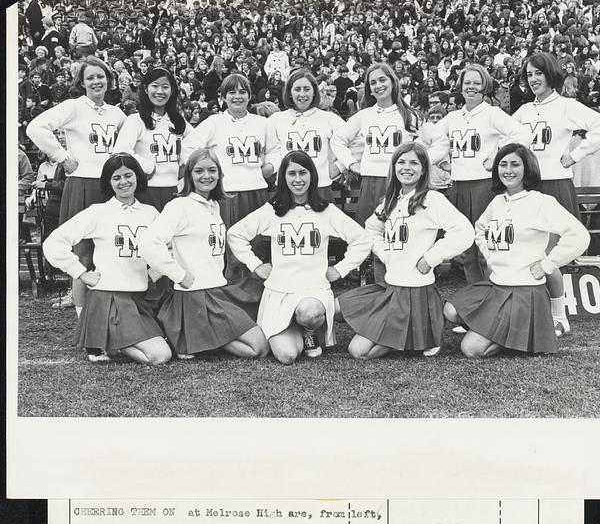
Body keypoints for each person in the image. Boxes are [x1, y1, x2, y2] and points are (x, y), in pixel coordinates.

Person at [444, 143, 590, 359]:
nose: (508, 170)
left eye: (515, 164)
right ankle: (500, 328)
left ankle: (523, 334)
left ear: (528, 168)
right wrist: (491, 254)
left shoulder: (542, 202)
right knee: (450, 310)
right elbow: (480, 228)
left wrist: (547, 265)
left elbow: (579, 236)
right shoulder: (497, 202)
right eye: (503, 164)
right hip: (497, 286)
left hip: (525, 292)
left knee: (472, 349)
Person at [227, 150, 372, 364]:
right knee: (286, 356)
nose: (298, 179)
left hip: (313, 290)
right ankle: (294, 329)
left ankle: (309, 330)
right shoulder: (272, 210)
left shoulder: (326, 211)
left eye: (303, 173)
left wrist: (340, 269)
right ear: (283, 178)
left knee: (308, 313)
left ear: (312, 176)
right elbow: (235, 234)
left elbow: (363, 239)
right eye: (291, 174)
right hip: (280, 290)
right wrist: (256, 265)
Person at [337, 142, 473, 360]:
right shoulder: (391, 200)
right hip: (391, 288)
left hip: (416, 292)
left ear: (423, 169)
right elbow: (371, 228)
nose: (406, 168)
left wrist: (431, 258)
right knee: (336, 309)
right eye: (401, 162)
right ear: (394, 167)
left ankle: (419, 332)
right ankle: (409, 336)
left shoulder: (432, 200)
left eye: (414, 163)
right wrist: (383, 252)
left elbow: (465, 231)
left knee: (359, 351)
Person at [513, 52, 600, 336]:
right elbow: (505, 140)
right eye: (529, 75)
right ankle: (535, 311)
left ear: (551, 74)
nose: (533, 79)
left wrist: (576, 154)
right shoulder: (523, 112)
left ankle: (559, 316)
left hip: (555, 185)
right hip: (528, 188)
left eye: (538, 73)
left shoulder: (566, 106)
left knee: (549, 257)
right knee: (529, 254)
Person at [138, 149, 269, 361]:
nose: (206, 176)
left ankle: (197, 337)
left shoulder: (214, 205)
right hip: (195, 296)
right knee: (258, 348)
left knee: (260, 342)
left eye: (212, 170)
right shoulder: (179, 206)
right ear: (189, 176)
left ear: (219, 175)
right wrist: (177, 274)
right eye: (199, 171)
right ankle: (191, 333)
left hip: (218, 291)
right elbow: (148, 243)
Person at [42, 153, 171, 365]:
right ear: (108, 182)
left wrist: (153, 273)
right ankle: (104, 333)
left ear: (138, 177)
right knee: (159, 356)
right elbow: (53, 243)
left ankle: (108, 339)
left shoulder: (151, 213)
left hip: (139, 300)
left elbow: (169, 248)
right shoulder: (98, 213)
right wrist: (81, 273)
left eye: (128, 175)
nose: (124, 182)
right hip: (108, 300)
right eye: (116, 178)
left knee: (165, 352)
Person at [330, 61, 449, 284]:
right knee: (372, 234)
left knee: (398, 233)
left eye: (382, 80)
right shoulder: (363, 115)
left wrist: (419, 164)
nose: (378, 86)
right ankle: (374, 283)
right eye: (372, 82)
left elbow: (441, 142)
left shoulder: (410, 115)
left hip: (400, 185)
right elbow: (338, 140)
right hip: (371, 183)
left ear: (393, 82)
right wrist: (351, 164)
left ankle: (400, 280)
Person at [26, 55, 126, 315]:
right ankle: (83, 315)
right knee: (82, 255)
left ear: (109, 80)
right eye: (90, 77)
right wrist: (62, 158)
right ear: (81, 83)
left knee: (108, 252)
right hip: (82, 184)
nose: (96, 81)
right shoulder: (73, 107)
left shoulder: (116, 113)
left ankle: (109, 307)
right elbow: (36, 128)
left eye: (101, 76)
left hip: (111, 187)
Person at [431, 63, 532, 286]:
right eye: (467, 83)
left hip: (484, 186)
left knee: (486, 247)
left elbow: (523, 134)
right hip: (458, 185)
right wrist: (443, 160)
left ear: (484, 85)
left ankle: (493, 295)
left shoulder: (492, 113)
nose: (472, 87)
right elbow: (432, 138)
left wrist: (497, 156)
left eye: (477, 83)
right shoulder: (453, 117)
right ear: (461, 86)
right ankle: (475, 295)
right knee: (466, 249)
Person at [180, 73, 272, 284]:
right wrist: (209, 173)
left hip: (257, 191)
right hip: (227, 193)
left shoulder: (262, 123)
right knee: (228, 246)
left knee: (257, 245)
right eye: (231, 92)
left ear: (250, 96)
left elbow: (275, 151)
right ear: (223, 97)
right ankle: (229, 291)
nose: (237, 97)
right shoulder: (214, 122)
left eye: (242, 92)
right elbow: (188, 149)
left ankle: (255, 294)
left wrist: (269, 168)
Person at [114, 66, 191, 213]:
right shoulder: (135, 120)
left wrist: (184, 166)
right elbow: (121, 151)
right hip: (146, 191)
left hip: (175, 191)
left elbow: (197, 146)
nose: (160, 92)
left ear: (172, 90)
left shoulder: (178, 121)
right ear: (145, 88)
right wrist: (148, 167)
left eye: (165, 87)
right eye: (155, 86)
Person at [265, 69, 345, 202]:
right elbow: (271, 152)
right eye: (297, 89)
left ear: (314, 92)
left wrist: (339, 166)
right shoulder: (276, 120)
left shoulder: (329, 119)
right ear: (289, 92)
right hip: (287, 189)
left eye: (307, 89)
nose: (302, 94)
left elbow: (355, 141)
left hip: (320, 187)